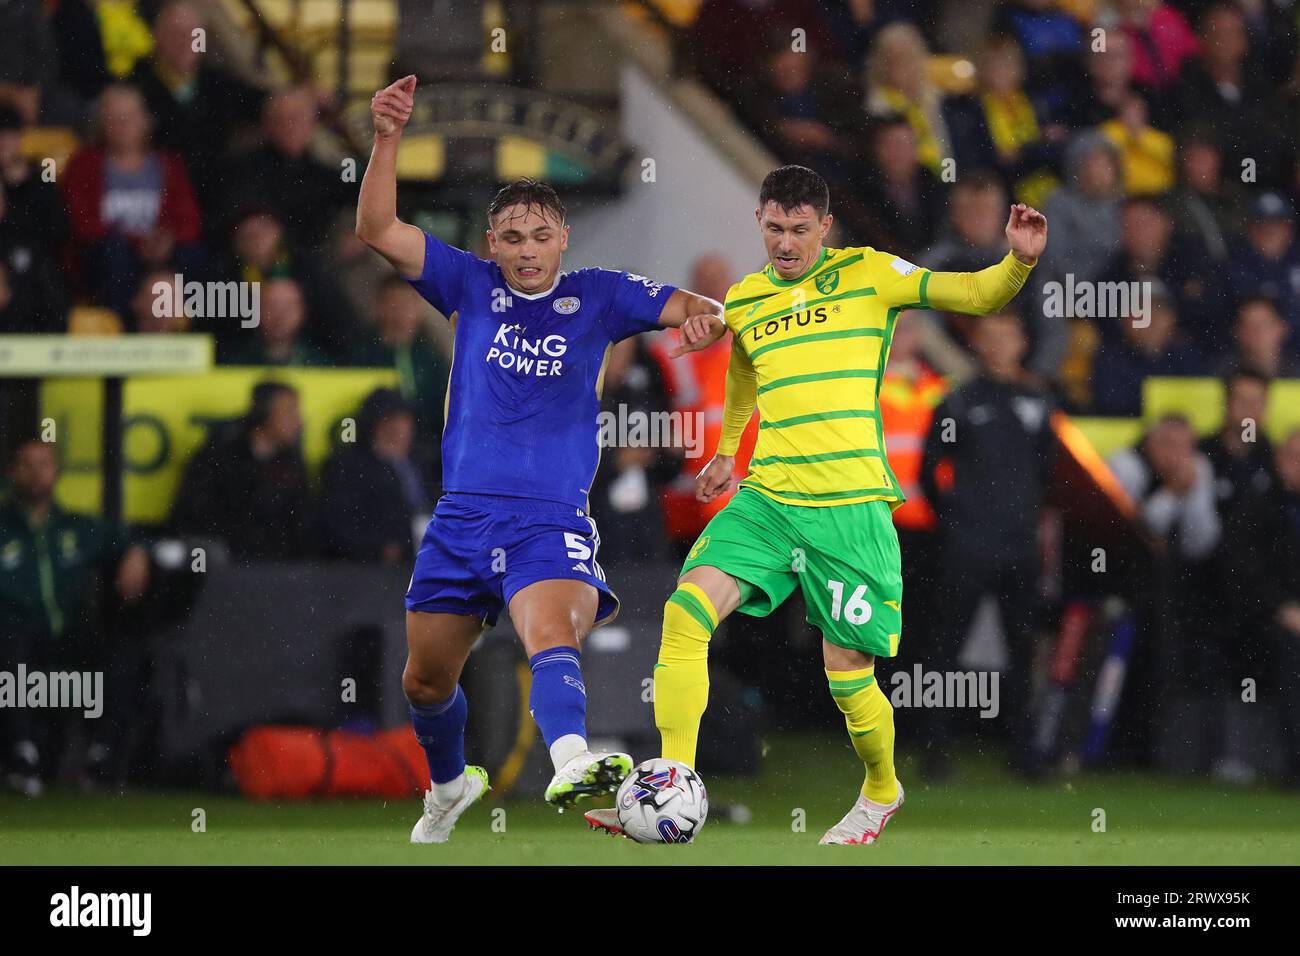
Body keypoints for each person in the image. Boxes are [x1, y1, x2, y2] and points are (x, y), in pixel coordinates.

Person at [585, 165, 1046, 844]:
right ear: (760, 223)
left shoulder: (871, 273)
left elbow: (974, 295)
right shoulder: (746, 298)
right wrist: (726, 453)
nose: (786, 242)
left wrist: (1019, 262)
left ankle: (881, 791)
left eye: (800, 229)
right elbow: (745, 370)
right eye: (774, 228)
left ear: (824, 227)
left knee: (847, 672)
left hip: (850, 510)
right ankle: (673, 784)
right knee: (685, 613)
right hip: (768, 499)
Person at [357, 76, 727, 843]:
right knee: (425, 681)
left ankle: (569, 756)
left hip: (547, 518)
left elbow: (698, 310)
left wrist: (703, 325)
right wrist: (387, 135)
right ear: (494, 244)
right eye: (513, 239)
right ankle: (450, 784)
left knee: (547, 631)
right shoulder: (468, 284)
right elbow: (378, 228)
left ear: (563, 239)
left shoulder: (599, 294)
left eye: (541, 236)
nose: (527, 251)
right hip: (461, 518)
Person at [921, 310, 1057, 778]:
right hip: (968, 547)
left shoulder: (1039, 401)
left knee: (1022, 647)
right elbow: (928, 468)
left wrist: (1023, 516)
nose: (999, 345)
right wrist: (956, 521)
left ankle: (1025, 751)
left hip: (1019, 546)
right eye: (990, 337)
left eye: (1008, 335)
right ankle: (935, 750)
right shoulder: (958, 401)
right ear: (978, 343)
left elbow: (1048, 469)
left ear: (1022, 342)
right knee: (945, 646)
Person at [0, 439, 149, 794]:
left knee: (122, 655)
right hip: (15, 640)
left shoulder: (75, 528)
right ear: (11, 473)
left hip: (67, 641)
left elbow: (131, 540)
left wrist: (136, 553)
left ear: (57, 473)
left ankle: (101, 759)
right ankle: (22, 756)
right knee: (10, 650)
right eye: (27, 465)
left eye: (45, 465)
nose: (36, 475)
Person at [169, 382, 317, 560]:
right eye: (289, 412)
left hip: (276, 567)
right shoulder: (217, 457)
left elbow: (302, 523)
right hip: (227, 562)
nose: (298, 422)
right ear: (263, 414)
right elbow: (193, 517)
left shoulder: (292, 463)